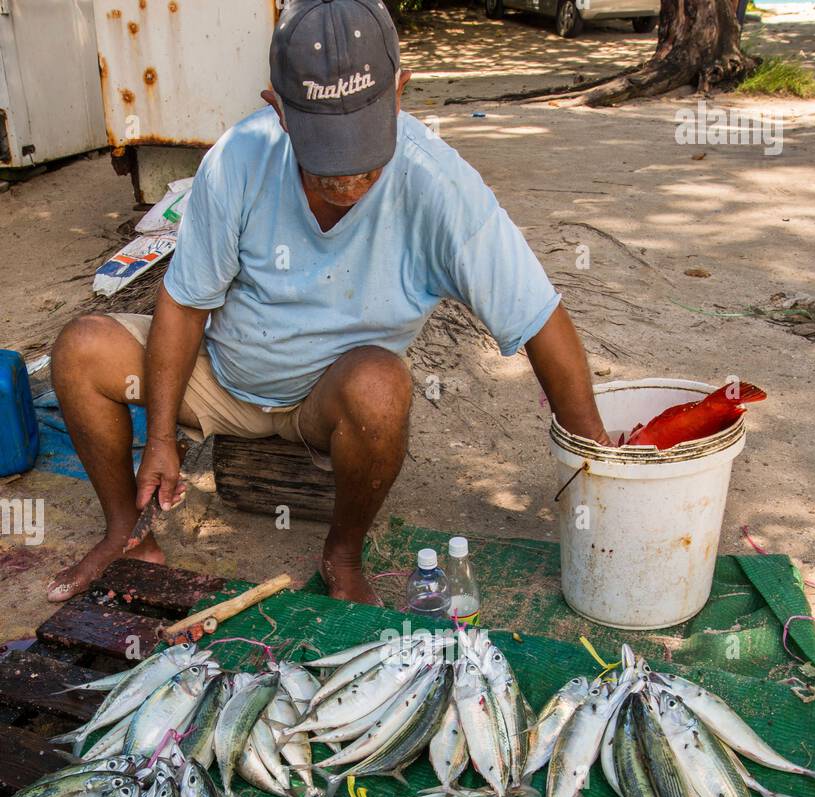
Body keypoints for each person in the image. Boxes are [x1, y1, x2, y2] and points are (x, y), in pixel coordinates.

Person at [49, 0, 610, 606]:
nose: (346, 185)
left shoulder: (441, 187)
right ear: (279, 109)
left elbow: (539, 320)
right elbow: (184, 307)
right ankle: (124, 535)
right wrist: (159, 436)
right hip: (219, 377)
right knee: (80, 351)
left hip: (324, 404)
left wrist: (600, 474)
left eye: (364, 162)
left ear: (400, 93)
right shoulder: (238, 159)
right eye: (325, 166)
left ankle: (341, 555)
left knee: (381, 386)